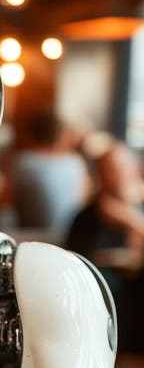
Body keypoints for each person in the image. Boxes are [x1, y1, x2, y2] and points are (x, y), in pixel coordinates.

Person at [66, 140, 144, 354]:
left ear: (135, 171)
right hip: (103, 298)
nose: (116, 176)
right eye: (109, 170)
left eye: (121, 169)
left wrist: (131, 220)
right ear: (100, 176)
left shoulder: (137, 211)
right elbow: (75, 265)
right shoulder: (86, 218)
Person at [9, 111, 91, 240]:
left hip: (29, 238)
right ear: (61, 135)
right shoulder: (75, 163)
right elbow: (83, 201)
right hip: (67, 238)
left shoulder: (23, 162)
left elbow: (8, 203)